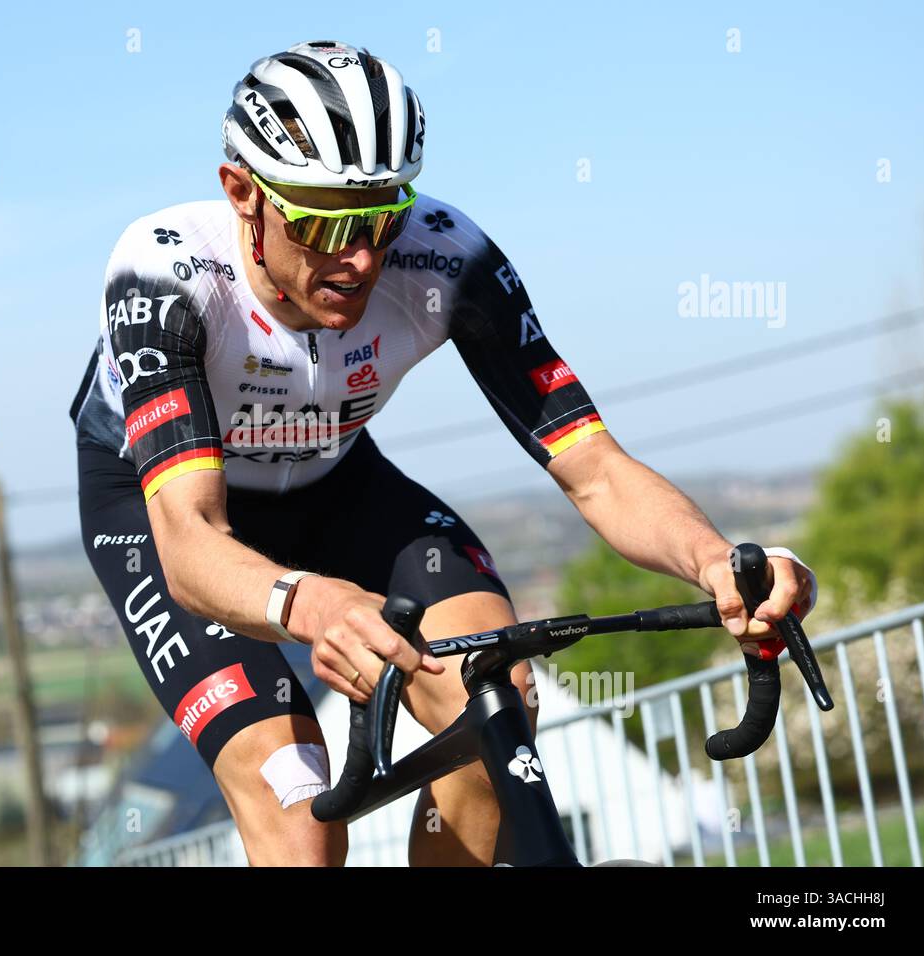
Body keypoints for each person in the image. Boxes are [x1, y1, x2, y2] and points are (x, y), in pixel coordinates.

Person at [71, 39, 817, 866]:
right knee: (297, 809)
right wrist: (311, 604)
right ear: (242, 193)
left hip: (336, 482)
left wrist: (716, 562)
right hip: (171, 516)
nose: (359, 258)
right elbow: (190, 545)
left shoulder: (445, 257)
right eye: (324, 220)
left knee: (496, 709)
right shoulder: (167, 272)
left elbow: (596, 470)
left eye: (383, 214)